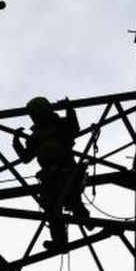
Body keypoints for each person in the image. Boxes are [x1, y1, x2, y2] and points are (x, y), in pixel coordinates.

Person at [13, 96, 89, 251]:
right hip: (49, 175)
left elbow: (73, 129)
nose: (35, 118)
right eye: (34, 116)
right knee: (52, 208)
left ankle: (85, 221)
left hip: (66, 169)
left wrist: (69, 109)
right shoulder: (36, 136)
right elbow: (26, 157)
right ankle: (60, 240)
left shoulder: (59, 125)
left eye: (37, 115)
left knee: (71, 197)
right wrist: (16, 142)